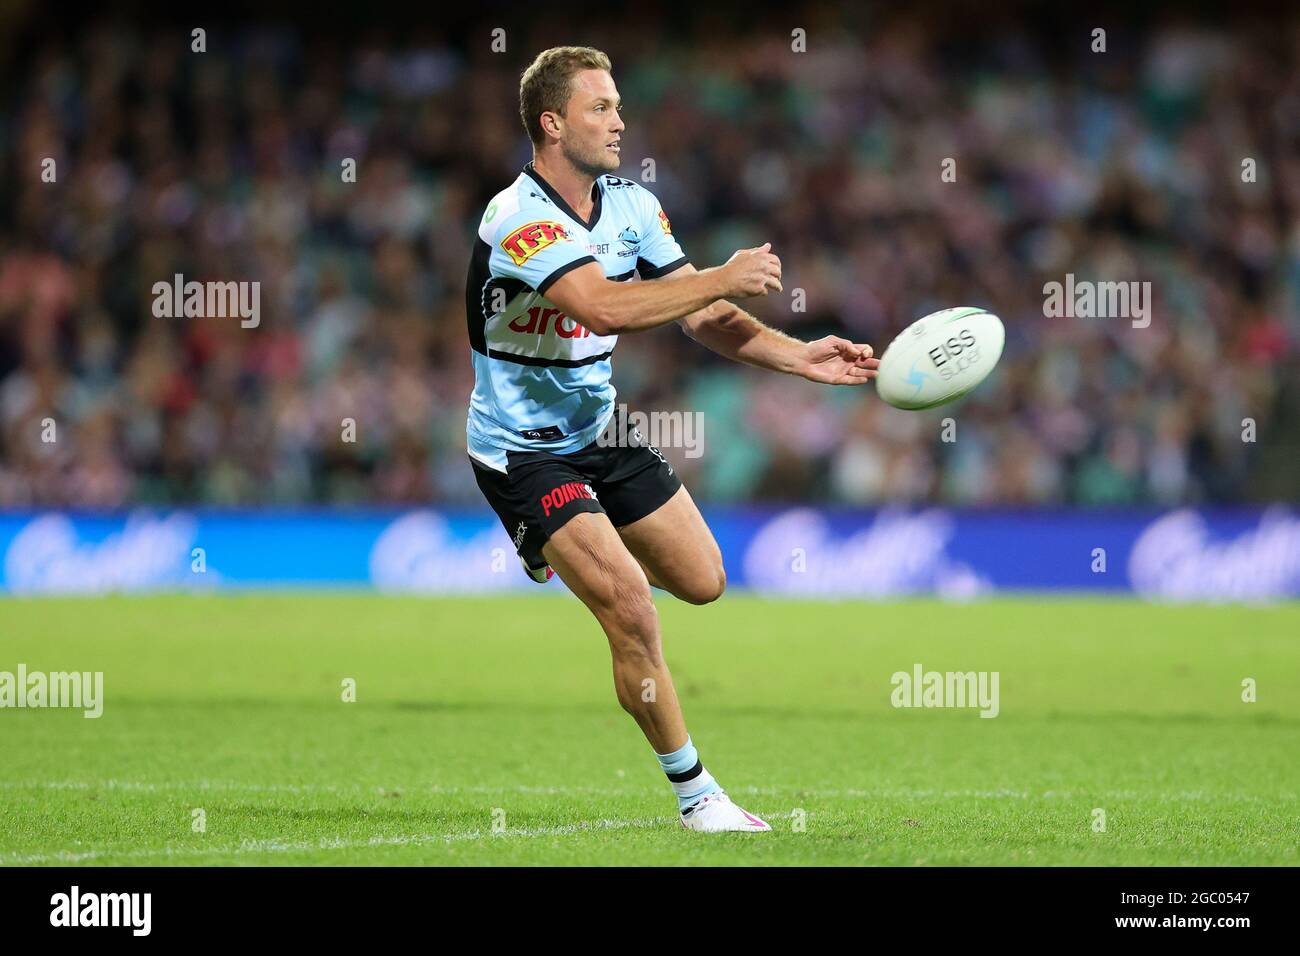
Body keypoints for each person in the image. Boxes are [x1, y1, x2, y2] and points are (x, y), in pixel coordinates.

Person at [465, 45, 879, 831]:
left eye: (619, 105)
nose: (620, 121)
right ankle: (698, 797)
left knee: (702, 579)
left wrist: (802, 356)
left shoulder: (632, 206)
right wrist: (722, 273)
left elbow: (700, 316)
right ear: (552, 125)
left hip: (599, 430)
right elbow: (603, 309)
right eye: (601, 108)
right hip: (521, 448)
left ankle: (551, 538)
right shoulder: (516, 218)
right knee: (630, 605)